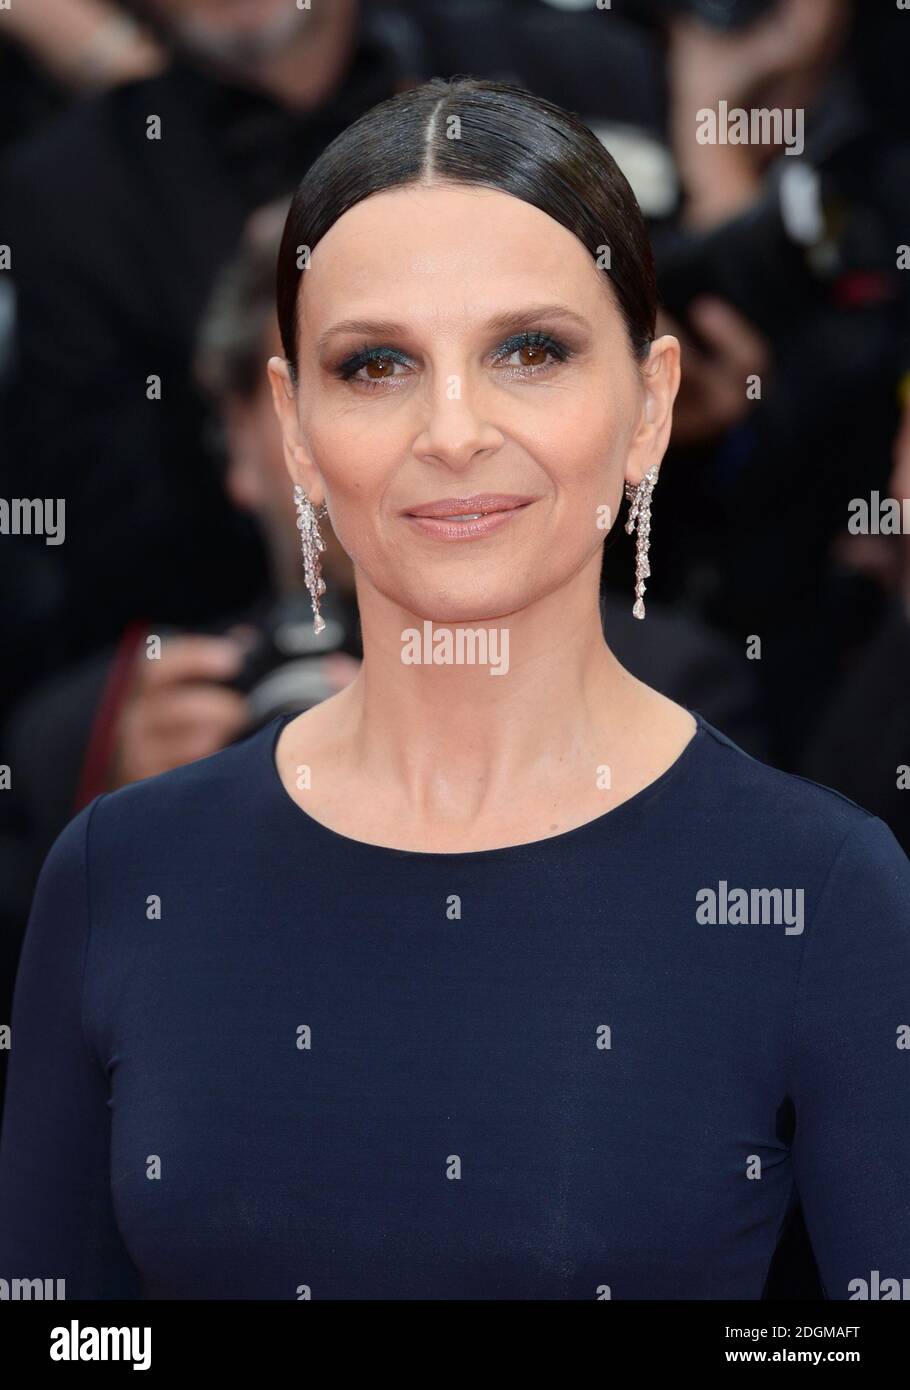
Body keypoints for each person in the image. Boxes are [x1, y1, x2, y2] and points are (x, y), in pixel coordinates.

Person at [0, 77, 907, 1300]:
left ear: (648, 407)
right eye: (376, 364)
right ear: (297, 427)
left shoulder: (820, 893)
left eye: (529, 350)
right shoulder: (122, 873)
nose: (454, 427)